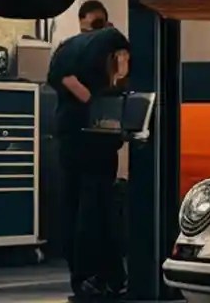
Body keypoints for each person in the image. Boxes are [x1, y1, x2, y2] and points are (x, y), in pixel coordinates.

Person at [48, 25, 130, 301]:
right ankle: (104, 277)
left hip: (70, 139)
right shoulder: (108, 45)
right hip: (94, 142)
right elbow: (114, 82)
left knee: (74, 210)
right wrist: (96, 102)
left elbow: (63, 78)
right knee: (97, 212)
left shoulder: (67, 49)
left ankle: (84, 279)